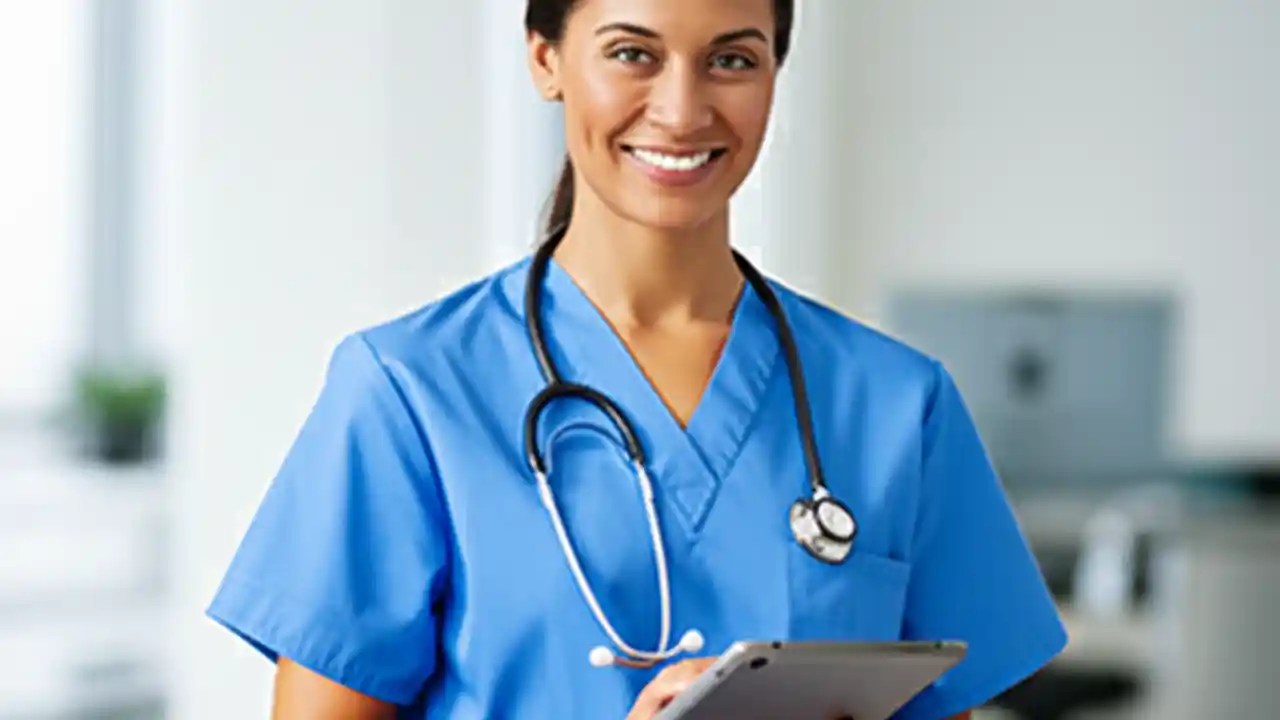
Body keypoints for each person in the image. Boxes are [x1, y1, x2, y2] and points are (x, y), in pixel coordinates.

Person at [205, 0, 1068, 717]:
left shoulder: (893, 405)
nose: (683, 110)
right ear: (546, 59)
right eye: (632, 54)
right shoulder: (410, 394)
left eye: (733, 60)